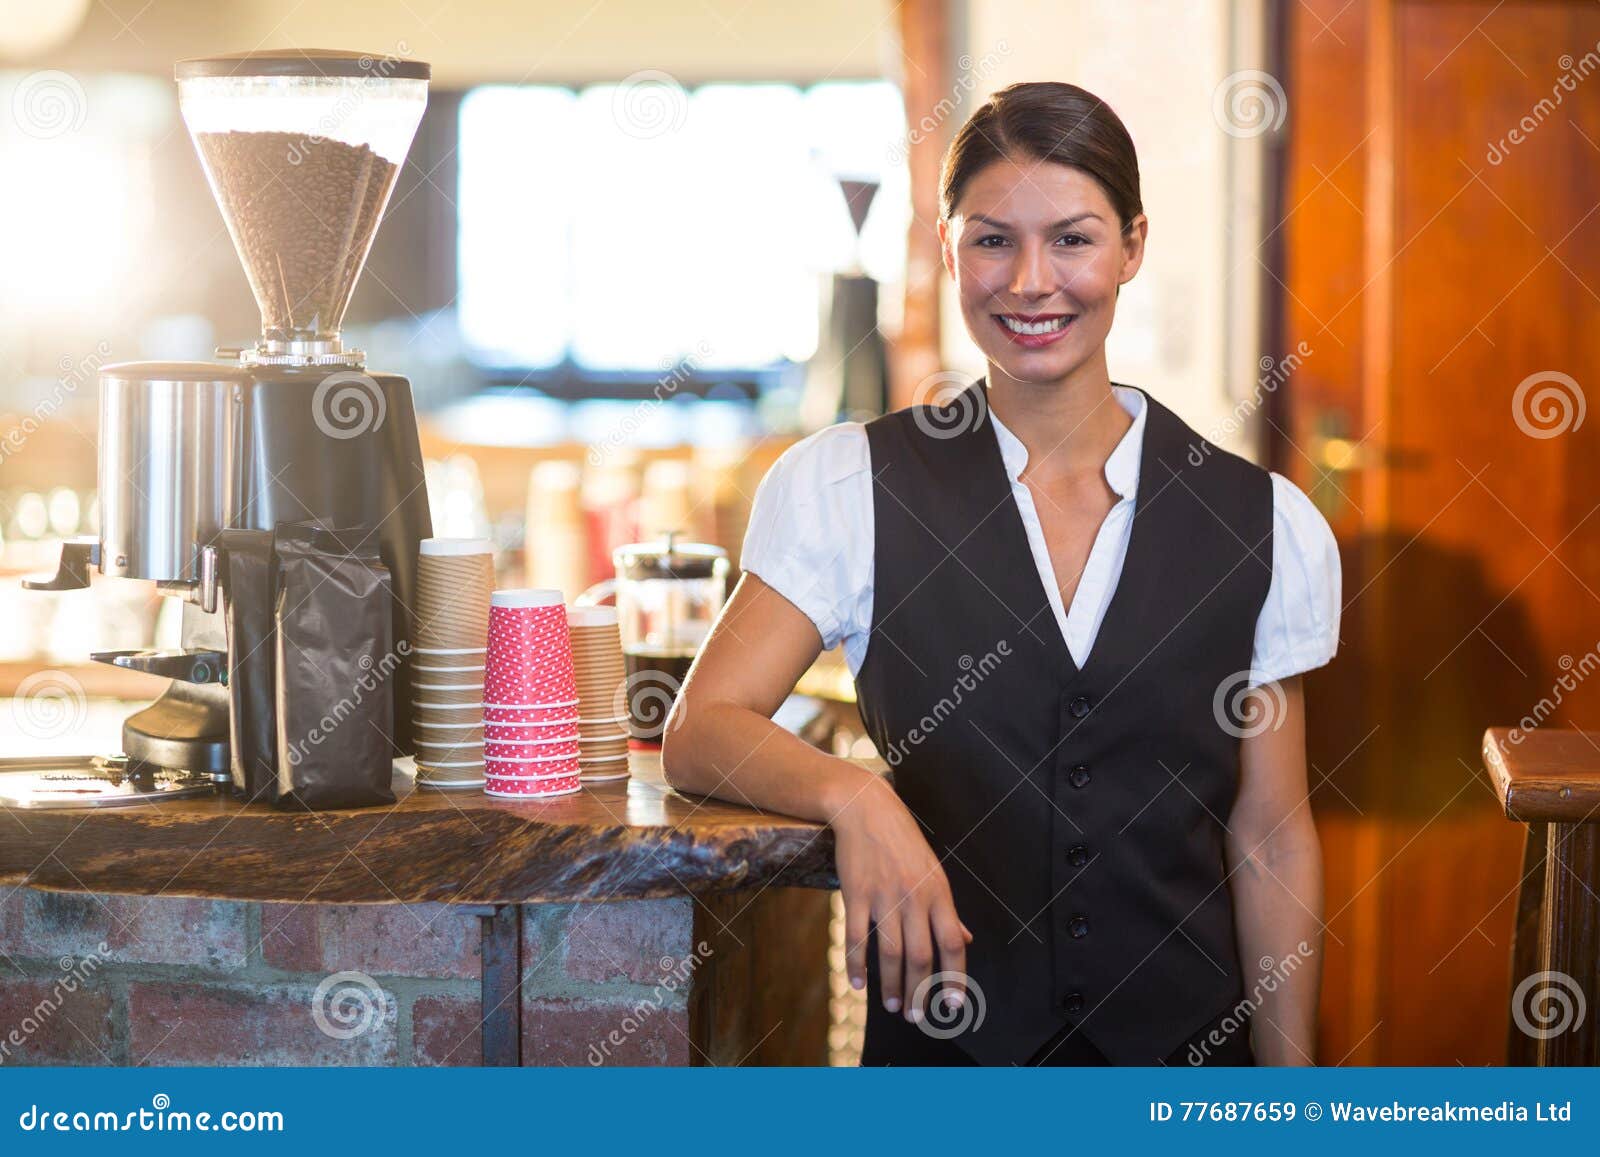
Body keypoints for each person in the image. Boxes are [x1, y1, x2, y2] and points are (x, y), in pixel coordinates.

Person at [661, 81, 1339, 1067]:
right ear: (945, 249)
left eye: (1072, 238)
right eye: (991, 240)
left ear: (1131, 247)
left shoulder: (1261, 521)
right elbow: (701, 730)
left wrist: (1288, 1099)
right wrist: (858, 796)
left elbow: (1271, 836)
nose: (1030, 281)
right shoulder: (849, 484)